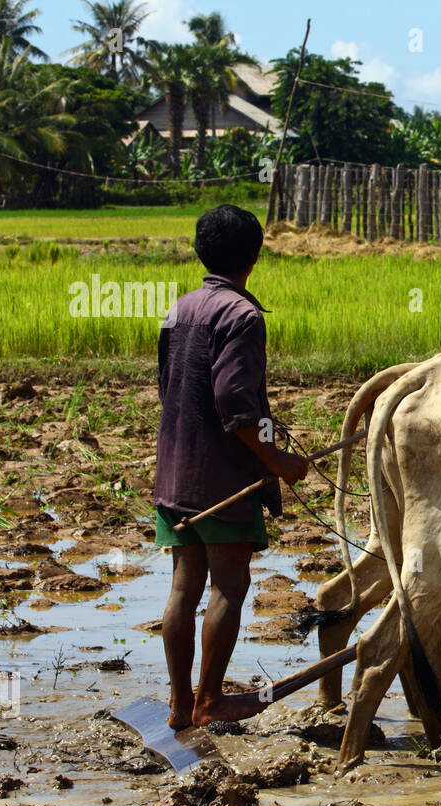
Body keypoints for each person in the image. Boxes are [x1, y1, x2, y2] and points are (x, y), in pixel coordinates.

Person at [153, 204, 308, 729]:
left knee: (183, 587)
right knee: (229, 587)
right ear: (256, 256)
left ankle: (180, 705)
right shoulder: (242, 317)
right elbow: (236, 403)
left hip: (174, 469)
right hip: (222, 477)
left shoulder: (180, 309)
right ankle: (210, 700)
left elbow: (171, 387)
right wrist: (279, 458)